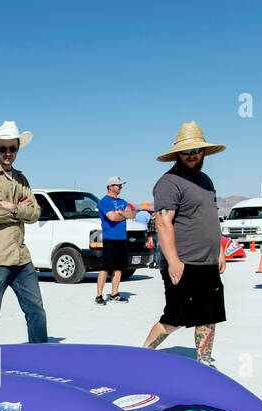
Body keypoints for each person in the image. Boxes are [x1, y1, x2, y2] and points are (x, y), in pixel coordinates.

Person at [142, 121, 227, 367]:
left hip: (207, 262)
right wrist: (174, 261)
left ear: (204, 152)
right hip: (184, 261)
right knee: (175, 318)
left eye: (197, 150)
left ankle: (204, 362)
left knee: (208, 317)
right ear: (177, 155)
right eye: (187, 151)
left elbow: (211, 217)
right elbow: (163, 223)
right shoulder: (169, 183)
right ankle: (143, 355)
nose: (192, 155)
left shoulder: (206, 181)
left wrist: (219, 252)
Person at [0, 120, 48, 345]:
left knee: (36, 310)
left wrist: (13, 206)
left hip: (21, 257)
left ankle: (42, 355)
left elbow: (36, 213)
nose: (8, 153)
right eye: (3, 148)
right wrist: (20, 209)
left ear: (18, 148)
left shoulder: (22, 179)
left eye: (12, 148)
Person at [96, 176, 132, 304]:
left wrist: (120, 213)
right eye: (118, 185)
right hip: (110, 238)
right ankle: (99, 296)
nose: (120, 187)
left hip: (122, 238)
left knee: (119, 268)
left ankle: (114, 293)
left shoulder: (123, 201)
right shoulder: (104, 201)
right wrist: (123, 214)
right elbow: (111, 217)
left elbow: (132, 214)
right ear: (110, 186)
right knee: (105, 267)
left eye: (121, 185)